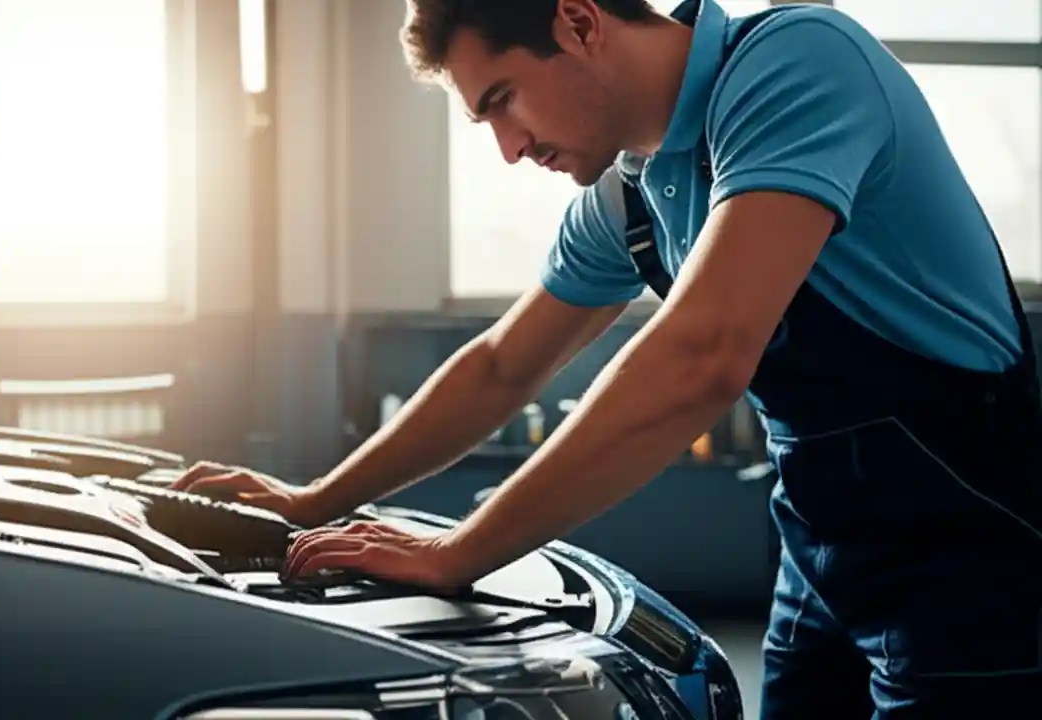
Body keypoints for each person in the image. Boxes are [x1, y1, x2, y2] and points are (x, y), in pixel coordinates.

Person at [172, 0, 1042, 716]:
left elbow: (705, 354)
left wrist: (458, 553)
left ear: (580, 22)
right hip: (820, 556)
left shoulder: (796, 62)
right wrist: (314, 499)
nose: (509, 148)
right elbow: (501, 369)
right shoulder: (627, 197)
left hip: (971, 561)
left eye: (503, 100)